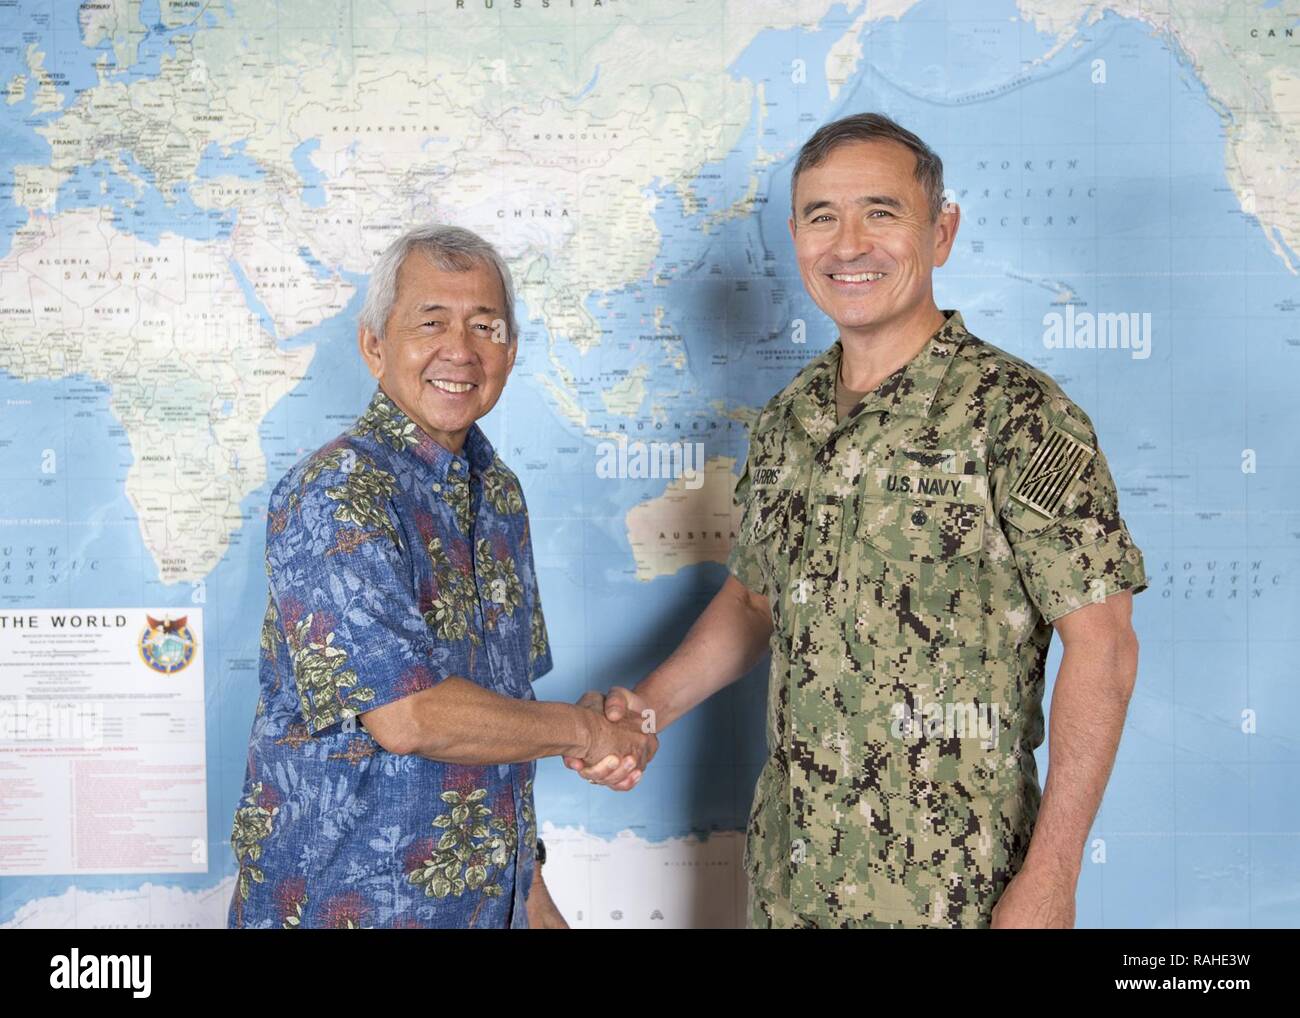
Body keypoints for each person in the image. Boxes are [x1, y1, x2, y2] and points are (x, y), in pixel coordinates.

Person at [566, 113, 1147, 929]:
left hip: (956, 895)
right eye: (821, 216)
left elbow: (1105, 645)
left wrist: (1052, 879)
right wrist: (647, 712)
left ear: (940, 231)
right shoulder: (787, 420)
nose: (849, 245)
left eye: (882, 211)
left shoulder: (1018, 416)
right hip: (790, 886)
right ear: (796, 239)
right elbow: (754, 603)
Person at [228, 223, 656, 929]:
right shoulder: (338, 492)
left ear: (510, 353)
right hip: (344, 911)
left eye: (485, 326)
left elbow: (500, 720)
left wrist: (537, 901)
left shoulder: (500, 494)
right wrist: (585, 733)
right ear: (374, 345)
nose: (460, 350)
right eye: (432, 322)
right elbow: (410, 715)